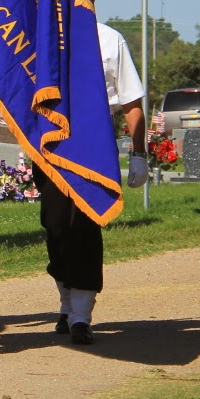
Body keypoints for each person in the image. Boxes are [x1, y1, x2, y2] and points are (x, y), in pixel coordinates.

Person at [36, 17, 146, 344]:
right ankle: (66, 302)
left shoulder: (110, 40)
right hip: (51, 140)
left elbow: (131, 100)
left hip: (94, 139)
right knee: (55, 224)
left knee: (85, 225)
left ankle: (81, 315)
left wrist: (138, 153)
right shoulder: (41, 38)